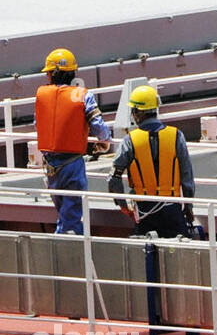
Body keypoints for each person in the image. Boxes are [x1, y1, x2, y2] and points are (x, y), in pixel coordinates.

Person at [35, 48, 111, 235]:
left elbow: (39, 124)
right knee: (72, 216)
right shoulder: (82, 95)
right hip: (72, 165)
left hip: (50, 166)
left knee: (64, 211)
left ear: (54, 73)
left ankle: (63, 239)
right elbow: (98, 126)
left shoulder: (42, 94)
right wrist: (104, 141)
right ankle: (68, 248)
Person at [107, 85, 196, 238]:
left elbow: (113, 178)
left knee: (146, 253)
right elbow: (187, 176)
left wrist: (123, 205)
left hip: (145, 211)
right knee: (179, 251)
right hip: (172, 209)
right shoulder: (176, 136)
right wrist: (188, 206)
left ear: (137, 113)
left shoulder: (130, 141)